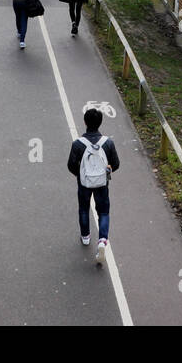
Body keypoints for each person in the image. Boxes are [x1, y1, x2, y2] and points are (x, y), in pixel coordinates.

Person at [67, 107, 120, 267]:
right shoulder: (108, 143)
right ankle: (102, 240)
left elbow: (70, 165)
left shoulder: (78, 144)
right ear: (100, 123)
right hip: (102, 183)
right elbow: (116, 164)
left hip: (84, 183)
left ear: (85, 122)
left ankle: (85, 236)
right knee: (103, 212)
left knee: (84, 208)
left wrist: (80, 174)